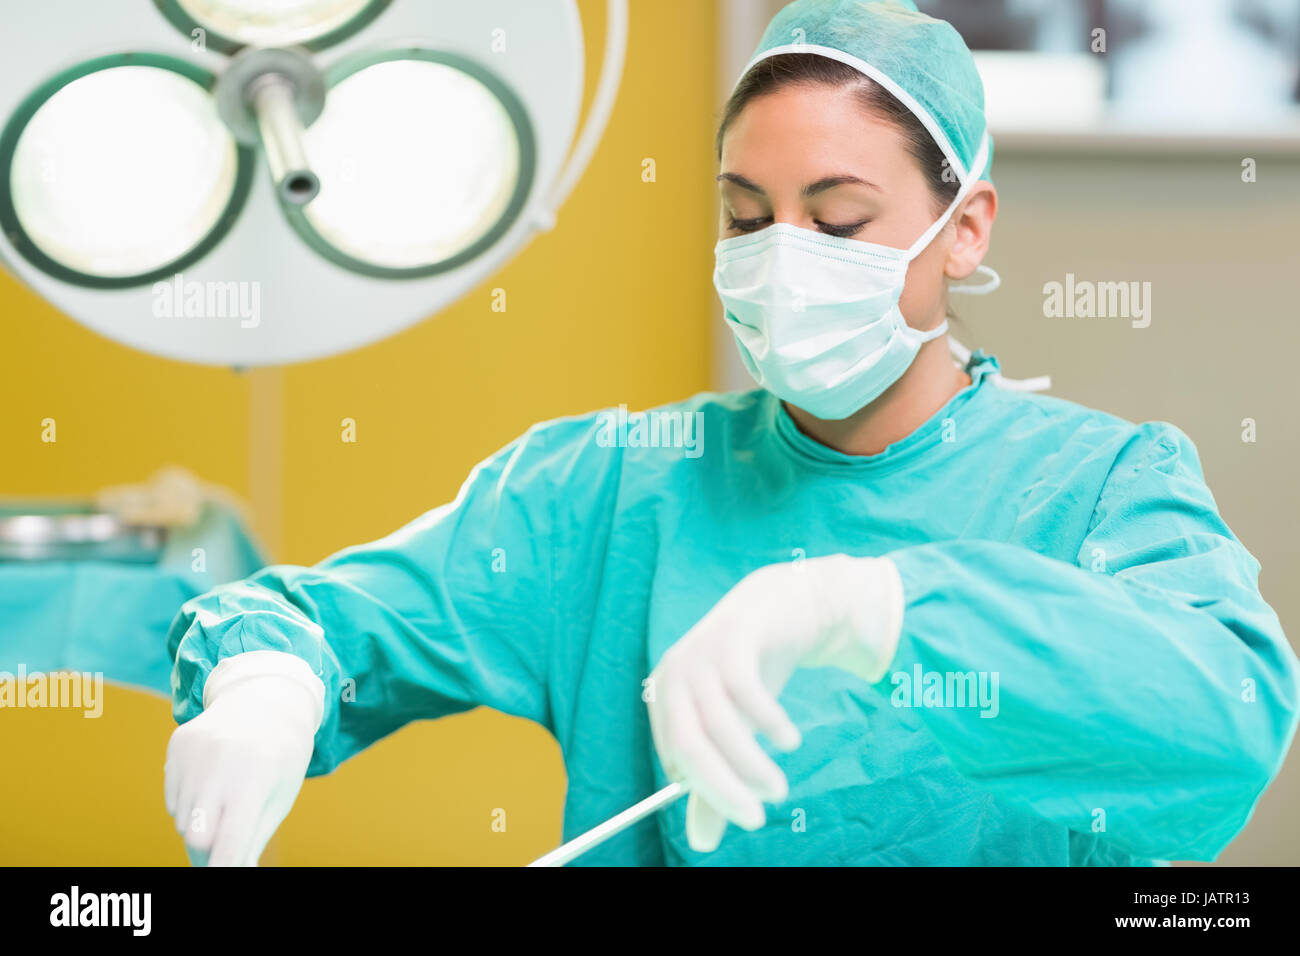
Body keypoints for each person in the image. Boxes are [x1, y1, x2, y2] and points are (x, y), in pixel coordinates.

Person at [163, 0, 1299, 866]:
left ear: (965, 229)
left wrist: (878, 607)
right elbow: (323, 616)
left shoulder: (1093, 487)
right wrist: (269, 681)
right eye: (745, 217)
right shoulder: (613, 491)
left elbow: (1230, 711)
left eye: (839, 218)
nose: (782, 255)